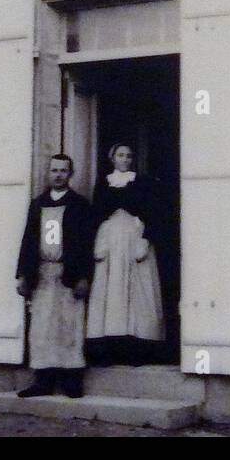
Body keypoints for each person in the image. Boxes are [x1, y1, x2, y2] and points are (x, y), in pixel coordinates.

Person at [15, 154, 93, 398]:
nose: (58, 175)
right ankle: (43, 381)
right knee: (43, 326)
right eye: (54, 170)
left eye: (63, 170)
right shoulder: (38, 204)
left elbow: (85, 244)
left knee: (69, 324)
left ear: (71, 174)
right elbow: (28, 241)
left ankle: (72, 380)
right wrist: (23, 275)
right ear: (48, 173)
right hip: (43, 273)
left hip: (68, 273)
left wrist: (83, 277)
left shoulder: (79, 205)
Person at [86, 144, 166, 366]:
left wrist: (145, 239)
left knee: (137, 294)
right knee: (111, 293)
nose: (125, 159)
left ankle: (137, 350)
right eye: (121, 155)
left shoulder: (142, 182)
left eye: (129, 156)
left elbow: (153, 212)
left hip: (135, 237)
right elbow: (97, 214)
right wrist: (99, 241)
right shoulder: (104, 183)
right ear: (113, 158)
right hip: (110, 239)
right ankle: (108, 350)